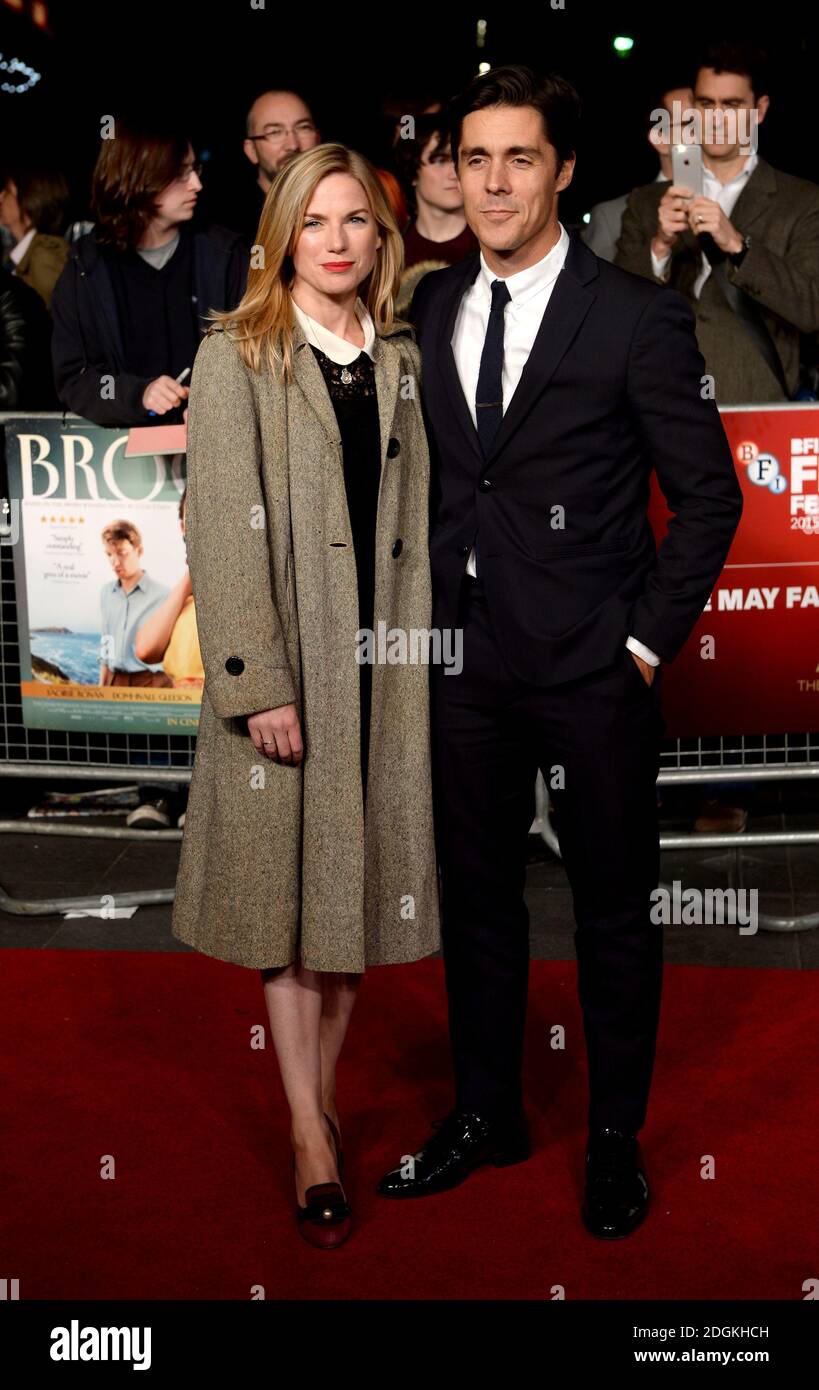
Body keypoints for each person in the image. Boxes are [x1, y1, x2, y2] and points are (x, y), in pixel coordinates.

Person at [375, 65, 743, 1239]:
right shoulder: (429, 307)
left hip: (593, 671)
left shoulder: (635, 314)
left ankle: (614, 1139)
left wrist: (640, 644)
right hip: (465, 667)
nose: (490, 182)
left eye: (518, 158)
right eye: (471, 158)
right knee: (477, 904)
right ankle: (488, 1111)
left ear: (565, 171)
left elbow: (711, 500)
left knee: (612, 915)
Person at [170, 142, 441, 1248]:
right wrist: (257, 681)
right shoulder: (238, 353)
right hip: (291, 672)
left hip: (386, 671)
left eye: (357, 222)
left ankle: (319, 1097)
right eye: (316, 220)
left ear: (381, 238)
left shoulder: (401, 357)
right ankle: (308, 1133)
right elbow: (217, 530)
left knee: (353, 903)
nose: (337, 240)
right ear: (281, 232)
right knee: (290, 918)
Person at [614, 39, 819, 407]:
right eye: (707, 104)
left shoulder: (802, 201)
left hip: (759, 409)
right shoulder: (646, 202)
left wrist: (739, 247)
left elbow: (811, 309)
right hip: (661, 411)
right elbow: (614, 316)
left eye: (733, 105)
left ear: (760, 110)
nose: (718, 119)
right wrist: (660, 247)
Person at [50, 116, 249, 428]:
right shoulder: (85, 268)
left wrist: (216, 403)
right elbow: (76, 378)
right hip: (122, 467)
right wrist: (138, 394)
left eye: (194, 169)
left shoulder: (225, 255)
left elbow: (258, 357)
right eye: (180, 174)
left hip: (218, 452)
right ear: (139, 177)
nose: (197, 184)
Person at [580, 80, 694, 263]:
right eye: (691, 122)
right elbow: (603, 291)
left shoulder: (743, 197)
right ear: (660, 139)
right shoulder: (612, 218)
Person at [394, 114, 478, 314]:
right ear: (413, 171)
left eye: (459, 159)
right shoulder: (390, 250)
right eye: (440, 160)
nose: (454, 172)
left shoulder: (490, 243)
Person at [0, 164, 70, 309]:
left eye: (7, 191)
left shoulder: (44, 258)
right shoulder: (31, 255)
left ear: (29, 199)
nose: (1, 198)